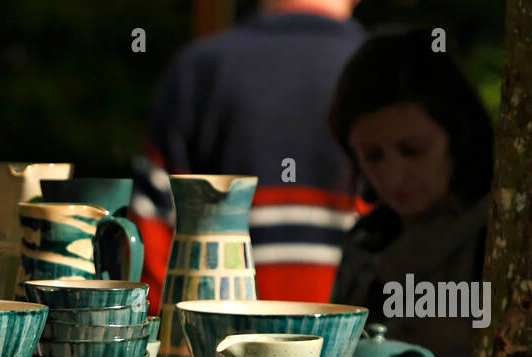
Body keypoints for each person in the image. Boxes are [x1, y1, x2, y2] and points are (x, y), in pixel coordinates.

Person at [328, 28, 493, 357]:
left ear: (456, 137)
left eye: (412, 150)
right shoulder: (366, 243)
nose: (394, 174)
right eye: (373, 156)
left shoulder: (497, 240)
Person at [133, 0, 366, 312]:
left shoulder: (200, 68)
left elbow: (151, 236)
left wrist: (171, 346)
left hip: (217, 349)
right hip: (367, 348)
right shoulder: (392, 74)